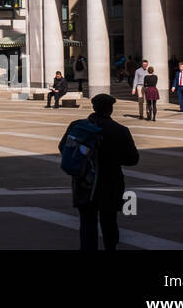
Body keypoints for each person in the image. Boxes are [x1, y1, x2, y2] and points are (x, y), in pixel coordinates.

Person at [59, 94, 139, 250]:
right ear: (111, 109)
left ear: (94, 107)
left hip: (85, 183)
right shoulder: (121, 130)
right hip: (110, 183)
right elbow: (133, 159)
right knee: (109, 222)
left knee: (87, 224)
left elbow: (63, 147)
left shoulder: (77, 126)